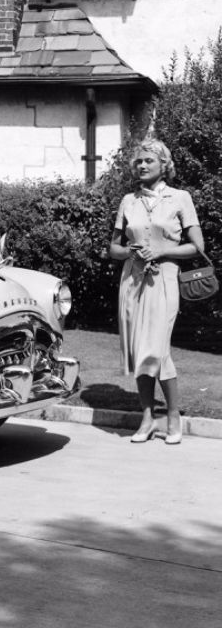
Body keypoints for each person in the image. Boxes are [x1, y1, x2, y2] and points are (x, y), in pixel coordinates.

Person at [108, 138, 206, 445]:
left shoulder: (180, 198)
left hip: (164, 280)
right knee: (140, 351)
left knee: (158, 349)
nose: (141, 165)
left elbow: (197, 247)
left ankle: (173, 415)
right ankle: (148, 418)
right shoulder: (128, 201)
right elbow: (113, 248)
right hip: (132, 281)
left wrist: (164, 248)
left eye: (148, 160)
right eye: (138, 161)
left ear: (164, 165)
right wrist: (130, 253)